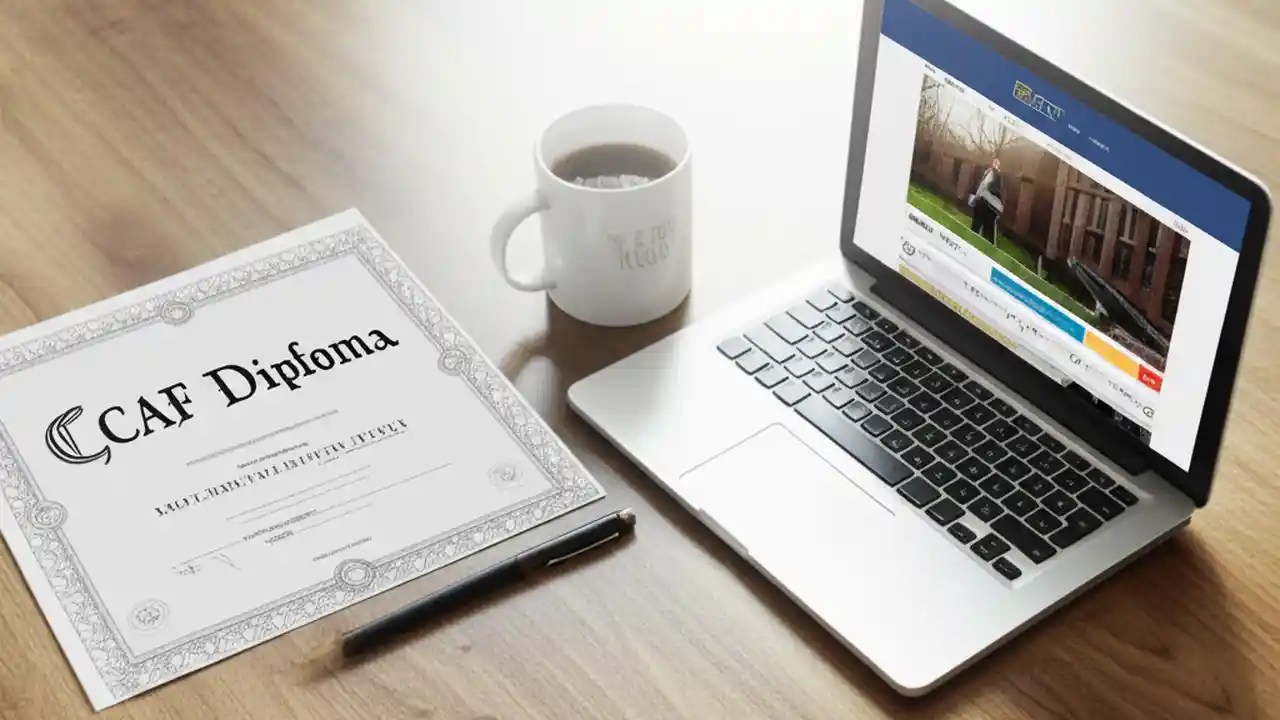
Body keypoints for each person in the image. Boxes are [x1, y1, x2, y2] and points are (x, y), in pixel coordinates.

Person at [969, 156, 1004, 242]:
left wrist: (975, 198)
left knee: (980, 224)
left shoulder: (994, 174)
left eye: (997, 163)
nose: (995, 164)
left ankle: (974, 240)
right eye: (995, 162)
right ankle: (983, 243)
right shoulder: (994, 174)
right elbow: (983, 186)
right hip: (989, 205)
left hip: (987, 203)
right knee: (986, 227)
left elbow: (983, 186)